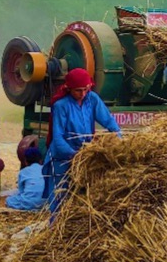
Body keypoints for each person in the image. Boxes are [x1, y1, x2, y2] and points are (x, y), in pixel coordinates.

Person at [46, 66, 121, 214]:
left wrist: (118, 138)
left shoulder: (92, 99)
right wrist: (74, 154)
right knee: (60, 195)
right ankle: (56, 225)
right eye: (78, 90)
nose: (82, 94)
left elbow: (108, 120)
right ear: (69, 89)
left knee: (83, 194)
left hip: (84, 151)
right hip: (63, 156)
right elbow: (58, 137)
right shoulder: (61, 106)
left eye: (85, 89)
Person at [4, 147, 47, 211]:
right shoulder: (46, 169)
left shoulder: (23, 171)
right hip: (45, 203)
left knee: (9, 200)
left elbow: (21, 191)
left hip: (28, 203)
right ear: (40, 160)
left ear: (26, 161)